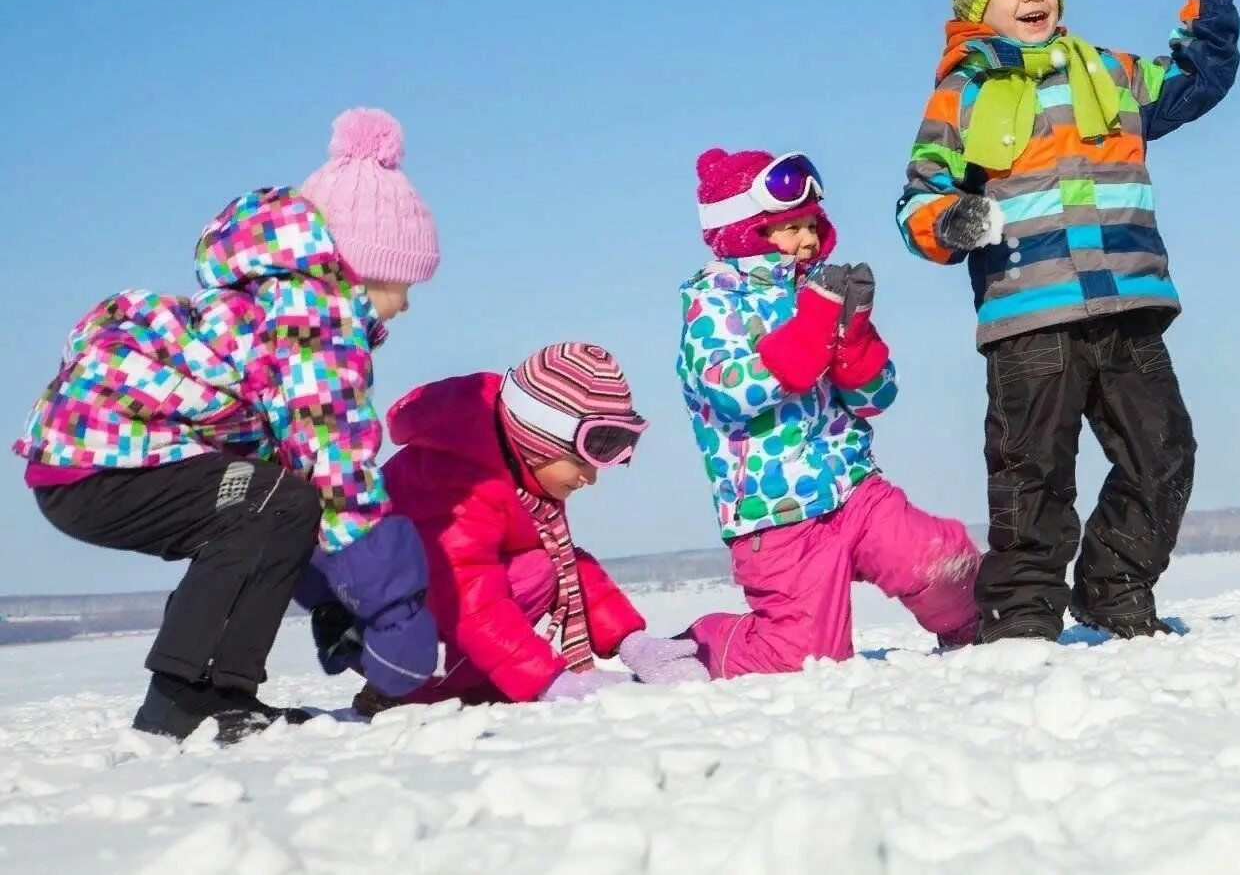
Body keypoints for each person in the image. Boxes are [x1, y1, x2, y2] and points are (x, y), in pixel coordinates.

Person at [16, 109, 440, 741]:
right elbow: (339, 471)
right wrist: (395, 617)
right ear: (360, 265)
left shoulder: (278, 308)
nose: (406, 303)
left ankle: (221, 693)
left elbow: (301, 494)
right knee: (275, 498)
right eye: (403, 282)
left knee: (276, 499)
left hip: (96, 466)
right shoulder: (312, 320)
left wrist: (333, 601)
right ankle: (186, 697)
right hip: (102, 469)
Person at [896, 0, 1240, 640]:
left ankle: (1114, 585)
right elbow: (917, 202)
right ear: (971, 5)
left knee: (1165, 454)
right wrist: (952, 219)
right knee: (1032, 480)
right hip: (1031, 322)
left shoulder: (1110, 73)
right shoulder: (962, 96)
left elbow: (1196, 77)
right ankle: (1020, 621)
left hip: (1129, 308)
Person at [679, 149, 979, 677]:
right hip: (776, 513)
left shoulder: (819, 293)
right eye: (789, 227)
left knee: (939, 560)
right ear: (747, 234)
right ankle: (704, 646)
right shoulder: (714, 305)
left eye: (812, 225)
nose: (808, 239)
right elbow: (735, 391)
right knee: (804, 657)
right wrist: (813, 331)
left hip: (853, 484)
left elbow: (876, 398)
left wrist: (855, 346)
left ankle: (977, 631)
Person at [349, 342, 703, 709]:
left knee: (543, 565)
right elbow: (466, 590)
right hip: (386, 621)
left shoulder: (521, 472)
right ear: (541, 439)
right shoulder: (460, 482)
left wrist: (635, 644)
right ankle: (410, 691)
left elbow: (566, 567)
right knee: (533, 571)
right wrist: (548, 679)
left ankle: (470, 684)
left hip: (426, 608)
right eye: (582, 461)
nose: (591, 478)